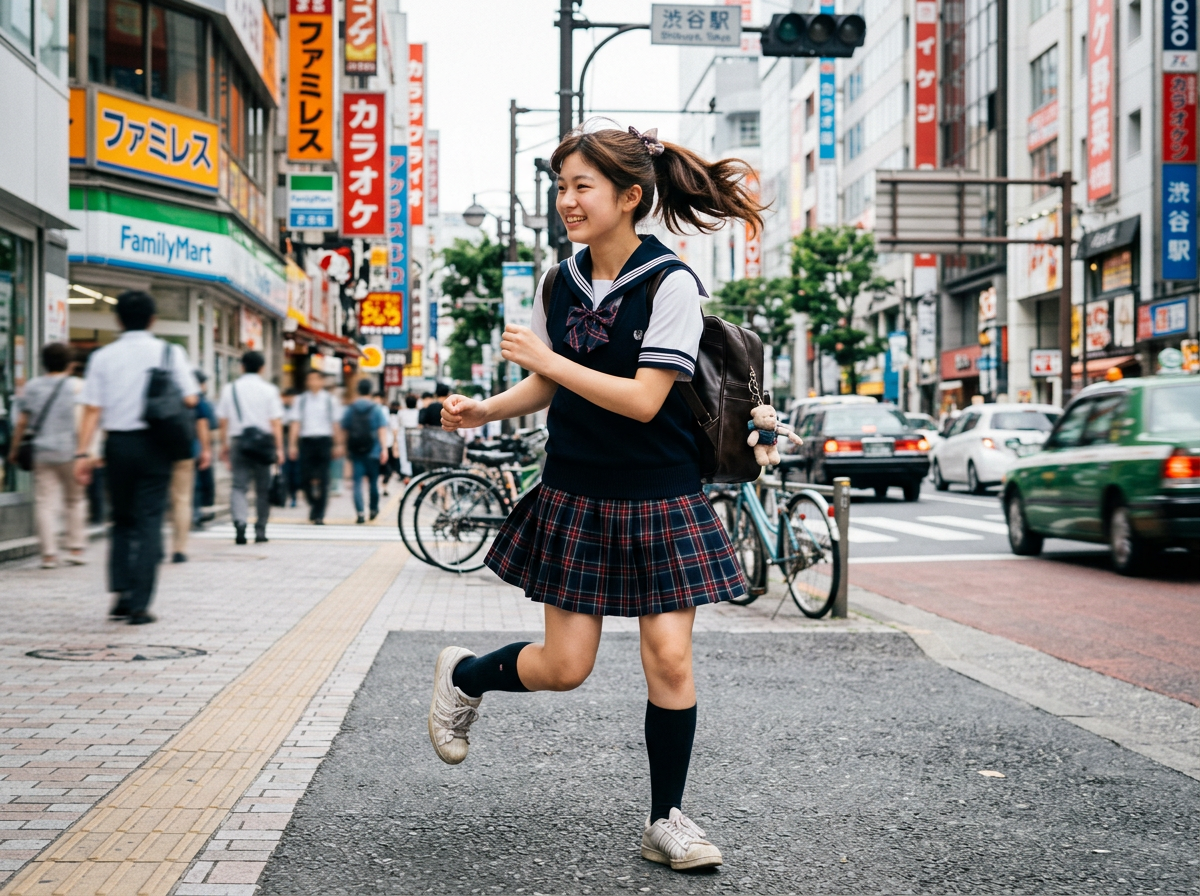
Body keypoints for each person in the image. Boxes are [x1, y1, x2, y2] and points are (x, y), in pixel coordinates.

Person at [430, 124, 763, 871]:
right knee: (565, 666)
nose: (567, 201)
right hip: (577, 492)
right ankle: (464, 675)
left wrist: (548, 360)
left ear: (630, 196)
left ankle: (666, 820)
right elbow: (545, 385)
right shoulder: (560, 281)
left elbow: (644, 400)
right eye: (561, 187)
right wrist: (485, 410)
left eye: (583, 186)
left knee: (669, 658)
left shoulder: (671, 283)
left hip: (661, 495)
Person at [75, 291, 200, 624]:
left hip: (118, 444)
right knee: (149, 520)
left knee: (121, 518)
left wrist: (82, 452)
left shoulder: (102, 356)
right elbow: (191, 398)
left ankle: (121, 594)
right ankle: (140, 604)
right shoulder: (170, 353)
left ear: (118, 320)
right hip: (157, 445)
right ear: (152, 320)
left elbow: (92, 409)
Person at [7, 342, 86, 568]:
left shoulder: (32, 386)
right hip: (71, 451)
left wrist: (14, 448)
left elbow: (22, 422)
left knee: (45, 503)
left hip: (42, 451)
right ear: (69, 363)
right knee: (74, 500)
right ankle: (75, 548)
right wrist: (86, 451)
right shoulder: (77, 386)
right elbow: (84, 419)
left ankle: (49, 554)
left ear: (44, 363)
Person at [216, 350, 284, 544]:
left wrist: (224, 445)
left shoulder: (230, 389)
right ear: (262, 368)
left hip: (239, 442)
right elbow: (276, 422)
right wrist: (279, 448)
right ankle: (260, 529)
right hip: (264, 443)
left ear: (242, 367)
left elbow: (223, 420)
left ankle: (240, 523)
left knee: (239, 486)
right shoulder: (269, 390)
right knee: (263, 489)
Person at [167, 372, 213, 563]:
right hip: (185, 449)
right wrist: (205, 449)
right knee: (182, 499)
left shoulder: (152, 384)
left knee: (153, 498)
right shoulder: (190, 391)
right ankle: (179, 549)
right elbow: (202, 422)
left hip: (155, 451)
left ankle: (153, 547)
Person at [288, 368, 342, 525]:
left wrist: (338, 444)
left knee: (324, 478)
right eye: (310, 379)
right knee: (304, 477)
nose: (313, 382)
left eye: (316, 379)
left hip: (324, 441)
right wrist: (292, 445)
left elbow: (335, 424)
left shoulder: (330, 400)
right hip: (306, 442)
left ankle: (319, 513)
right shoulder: (301, 400)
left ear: (322, 381)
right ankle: (313, 503)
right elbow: (295, 423)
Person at [341, 379, 389, 524]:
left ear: (358, 390)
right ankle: (373, 509)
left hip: (356, 451)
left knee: (357, 483)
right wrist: (384, 449)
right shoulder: (376, 408)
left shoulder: (351, 408)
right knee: (373, 482)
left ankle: (360, 513)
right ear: (370, 391)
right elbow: (382, 430)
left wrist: (344, 448)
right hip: (373, 451)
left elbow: (344, 429)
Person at [191, 372, 217, 531]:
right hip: (196, 446)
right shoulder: (201, 401)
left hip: (177, 445)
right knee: (197, 484)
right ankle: (196, 515)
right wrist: (206, 449)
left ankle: (194, 514)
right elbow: (207, 425)